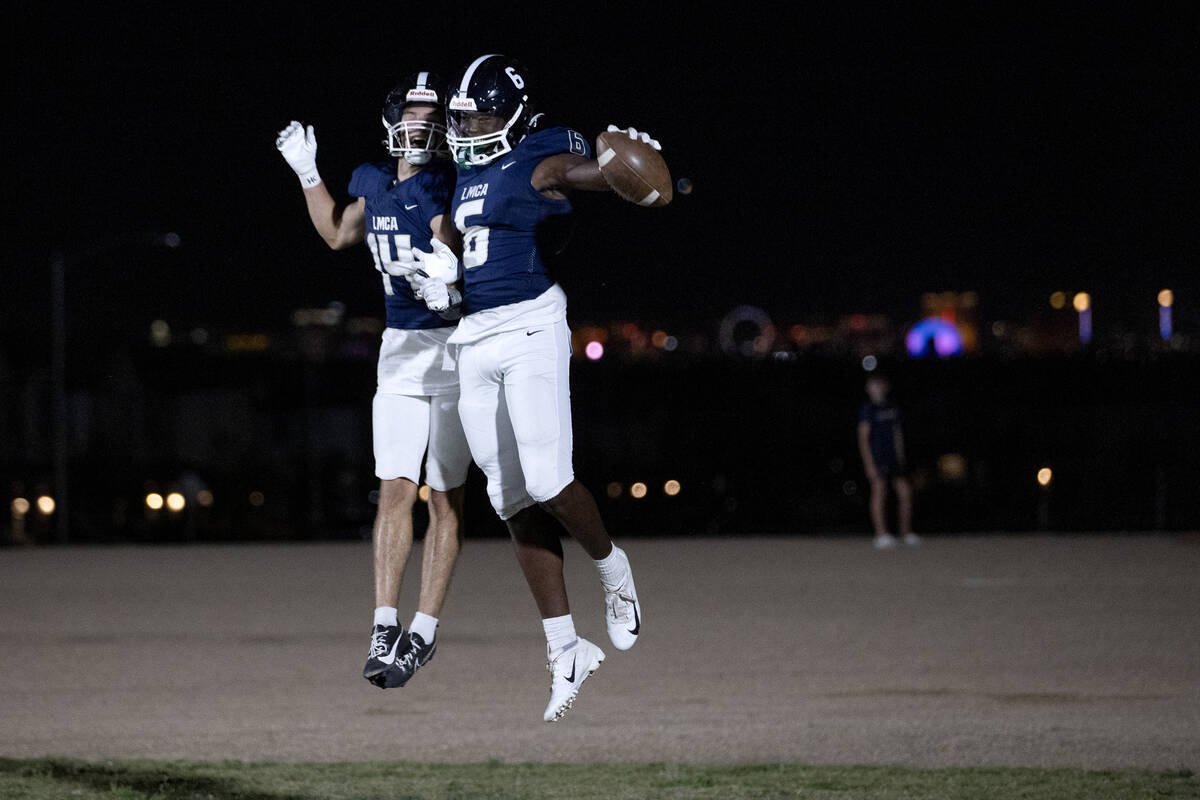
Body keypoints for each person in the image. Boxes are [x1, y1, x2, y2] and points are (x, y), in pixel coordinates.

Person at [417, 54, 650, 721]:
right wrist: (446, 279)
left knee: (548, 479)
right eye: (463, 117)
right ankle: (565, 647)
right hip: (473, 339)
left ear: (514, 118)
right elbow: (463, 248)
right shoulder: (463, 177)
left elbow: (581, 175)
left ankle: (613, 570)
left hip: (528, 329)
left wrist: (616, 166)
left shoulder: (538, 158)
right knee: (509, 497)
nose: (469, 127)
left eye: (482, 115)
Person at [275, 72, 472, 688]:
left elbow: (462, 279)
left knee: (444, 499)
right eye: (411, 114)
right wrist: (309, 174)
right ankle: (384, 623)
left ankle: (426, 630)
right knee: (393, 489)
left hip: (451, 351)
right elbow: (337, 232)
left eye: (429, 117)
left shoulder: (447, 183)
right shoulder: (372, 181)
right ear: (392, 121)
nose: (421, 126)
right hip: (398, 353)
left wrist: (451, 290)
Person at [857, 374, 919, 549]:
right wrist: (869, 464)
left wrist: (900, 456)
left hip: (893, 457)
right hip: (877, 457)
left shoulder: (892, 406)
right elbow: (863, 437)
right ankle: (881, 534)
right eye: (872, 385)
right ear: (868, 388)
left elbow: (897, 432)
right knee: (879, 492)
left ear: (885, 386)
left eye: (879, 384)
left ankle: (905, 532)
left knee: (905, 493)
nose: (876, 388)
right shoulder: (868, 408)